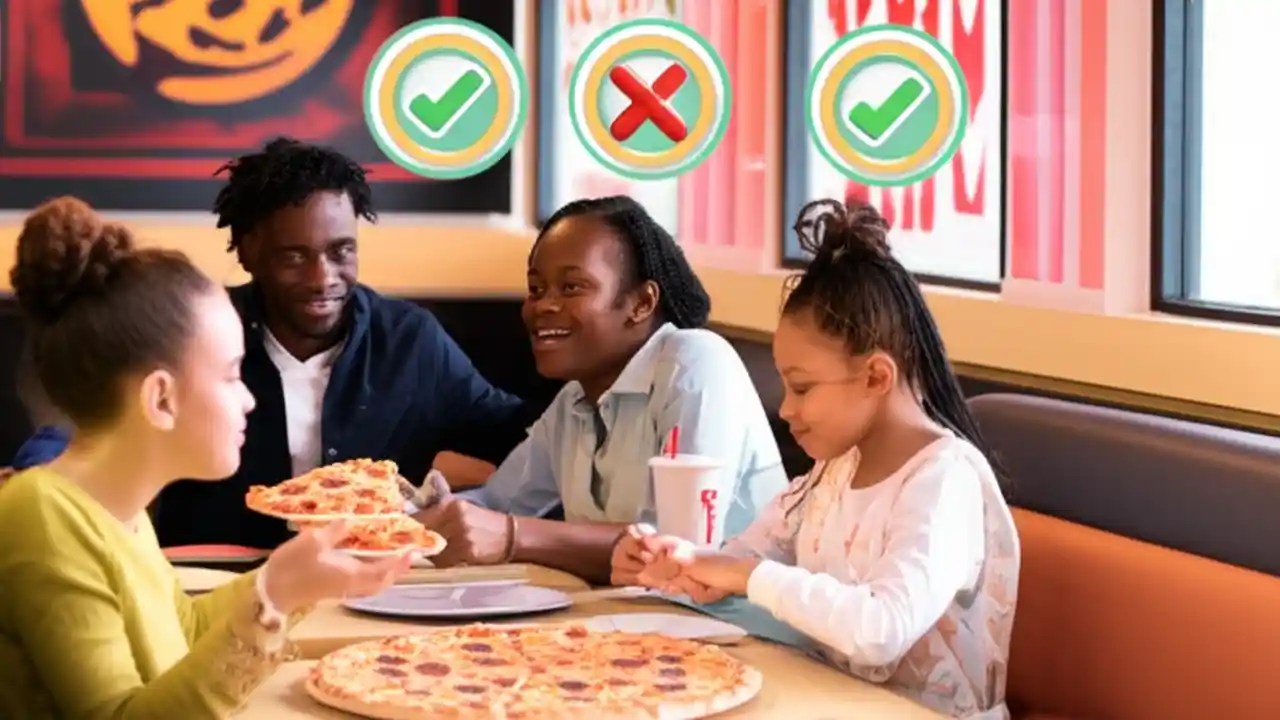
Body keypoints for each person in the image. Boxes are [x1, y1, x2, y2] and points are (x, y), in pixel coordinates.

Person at [9, 138, 530, 550]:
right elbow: (87, 426)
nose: (322, 277)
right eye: (294, 256)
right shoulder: (202, 330)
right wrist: (40, 478)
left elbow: (514, 436)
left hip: (371, 586)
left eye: (340, 251)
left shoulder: (409, 340)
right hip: (208, 577)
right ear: (247, 251)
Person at [0, 197, 410, 719]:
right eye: (230, 374)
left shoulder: (114, 509)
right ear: (161, 399)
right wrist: (275, 596)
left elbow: (186, 629)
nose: (249, 399)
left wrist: (294, 581)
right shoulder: (44, 515)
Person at [622, 200, 1021, 719]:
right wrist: (684, 563)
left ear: (877, 377)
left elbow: (880, 630)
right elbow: (747, 556)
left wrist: (741, 574)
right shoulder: (835, 468)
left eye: (803, 388)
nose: (787, 410)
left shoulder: (944, 478)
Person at [414, 196, 788, 584]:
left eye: (572, 287)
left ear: (642, 303)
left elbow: (673, 548)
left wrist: (514, 536)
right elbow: (496, 502)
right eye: (536, 289)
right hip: (632, 623)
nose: (543, 306)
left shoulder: (695, 363)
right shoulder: (573, 402)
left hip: (736, 626)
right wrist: (414, 514)